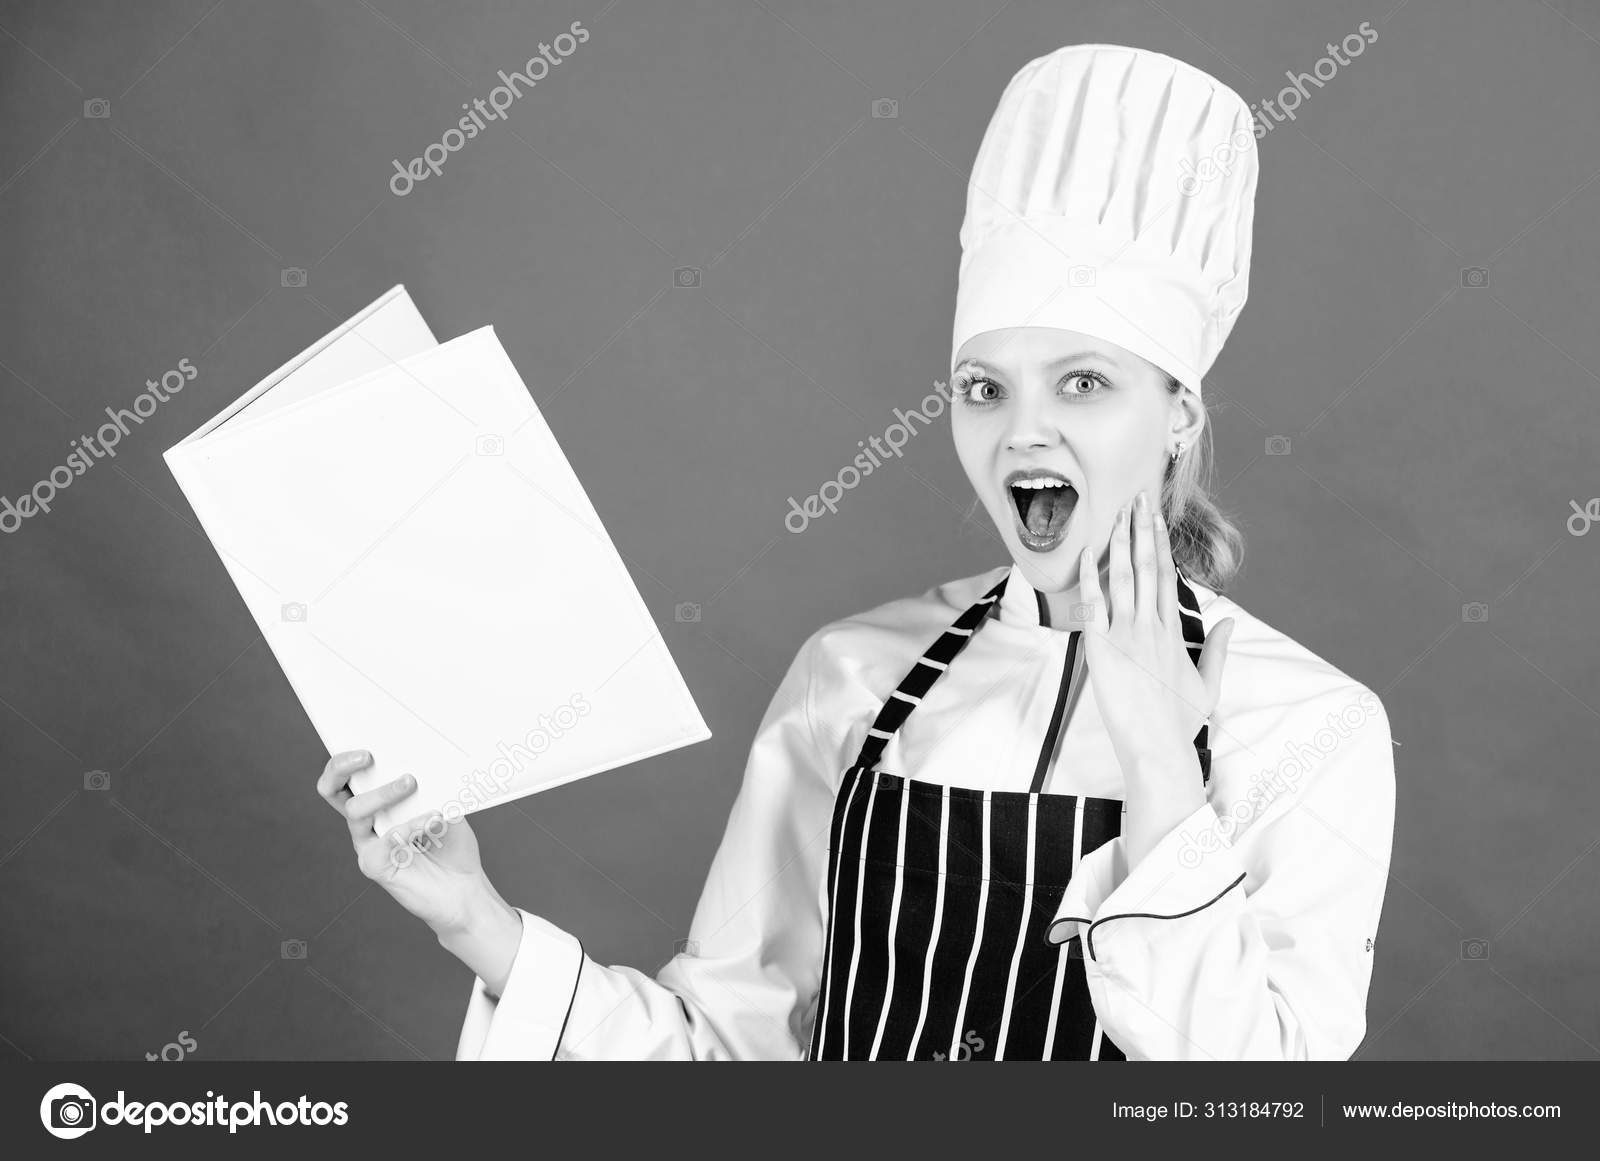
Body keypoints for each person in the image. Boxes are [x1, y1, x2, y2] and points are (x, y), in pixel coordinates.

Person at [317, 43, 1395, 1060]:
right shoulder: (855, 675)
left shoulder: (1306, 726)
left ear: (1178, 419)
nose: (1022, 429)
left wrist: (1160, 758)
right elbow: (729, 1049)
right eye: (984, 386)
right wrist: (475, 919)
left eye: (1082, 382)